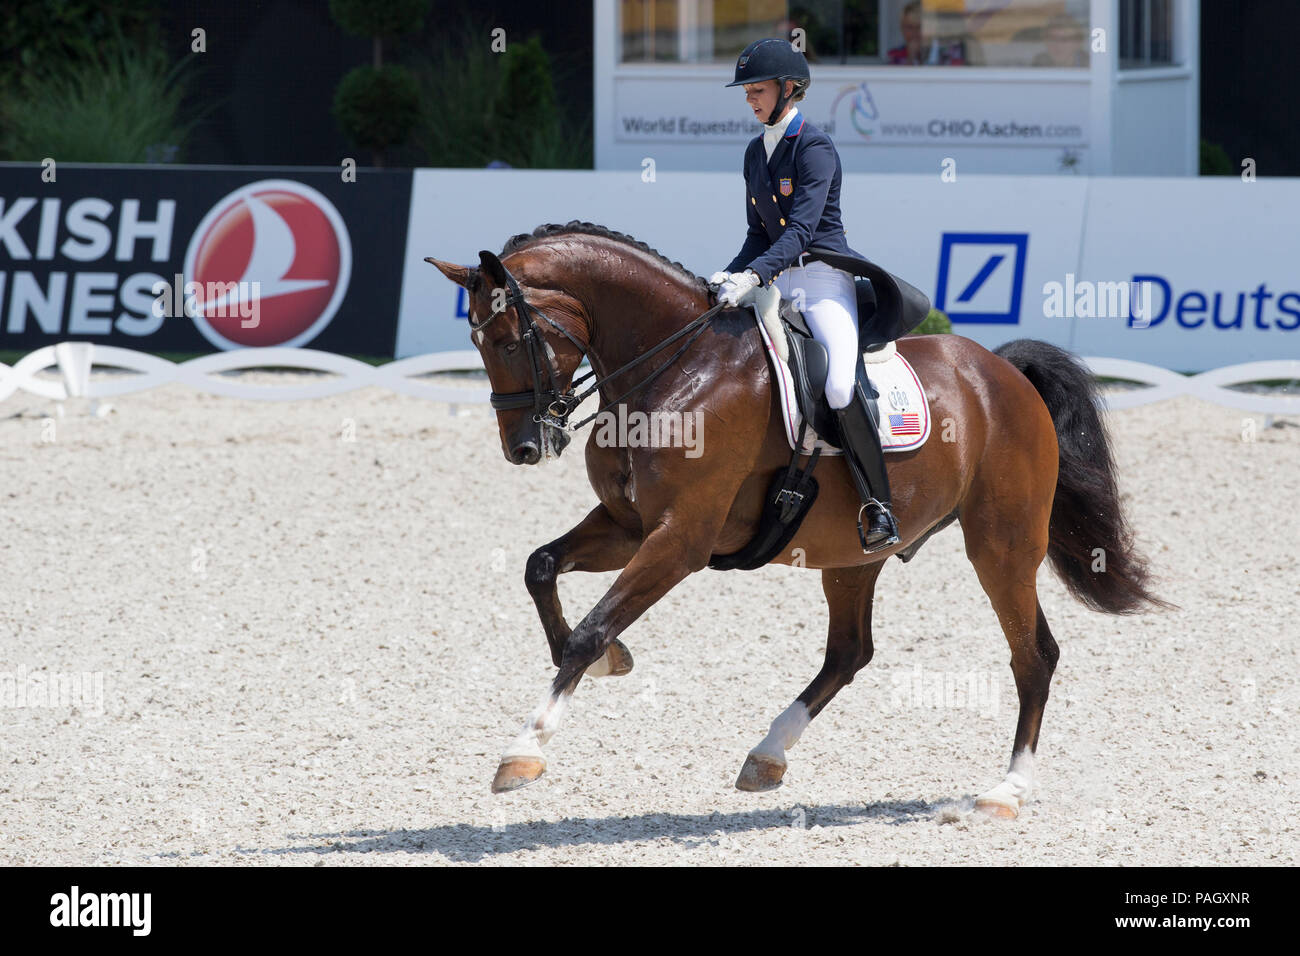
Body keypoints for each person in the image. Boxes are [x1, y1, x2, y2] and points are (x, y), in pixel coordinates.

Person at [712, 37, 899, 553]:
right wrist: (727, 276)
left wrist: (752, 277)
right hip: (776, 280)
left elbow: (798, 233)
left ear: (788, 89)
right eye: (746, 90)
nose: (750, 99)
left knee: (839, 386)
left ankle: (878, 506)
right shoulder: (755, 152)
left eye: (758, 89)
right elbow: (758, 233)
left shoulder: (814, 148)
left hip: (821, 282)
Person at [887, 0, 965, 65]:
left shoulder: (950, 51)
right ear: (902, 28)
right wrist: (910, 58)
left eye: (920, 27)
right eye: (910, 27)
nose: (915, 32)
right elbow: (897, 82)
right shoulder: (895, 56)